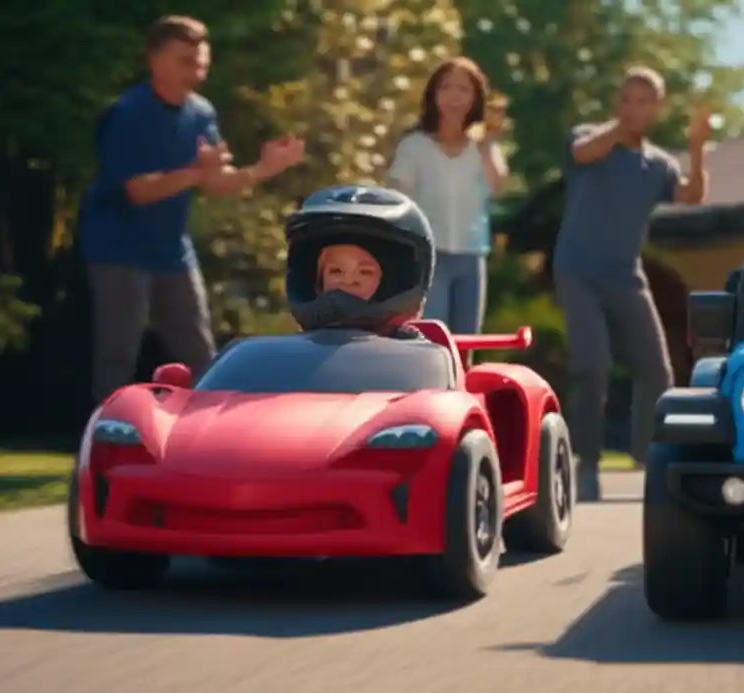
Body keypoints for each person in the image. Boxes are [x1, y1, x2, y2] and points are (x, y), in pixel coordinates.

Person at [77, 15, 305, 403]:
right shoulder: (128, 113)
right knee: (118, 357)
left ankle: (209, 445)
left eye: (201, 63)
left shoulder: (201, 113)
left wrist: (264, 169)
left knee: (202, 356)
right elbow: (138, 190)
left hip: (171, 251)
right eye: (185, 62)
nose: (196, 73)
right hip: (117, 249)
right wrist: (196, 172)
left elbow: (214, 182)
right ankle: (101, 448)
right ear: (154, 59)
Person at [554, 65, 712, 500]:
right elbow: (584, 152)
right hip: (577, 269)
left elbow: (692, 195)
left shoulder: (658, 163)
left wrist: (697, 148)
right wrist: (619, 128)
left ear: (657, 108)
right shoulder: (590, 138)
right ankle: (586, 463)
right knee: (593, 365)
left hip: (625, 275)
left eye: (644, 101)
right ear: (617, 103)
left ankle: (650, 458)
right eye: (627, 99)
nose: (633, 108)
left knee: (657, 370)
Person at [388, 57, 507, 335]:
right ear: (433, 95)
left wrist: (488, 143)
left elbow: (498, 187)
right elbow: (397, 199)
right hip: (429, 255)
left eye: (464, 89)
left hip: (471, 255)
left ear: (476, 97)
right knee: (433, 340)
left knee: (466, 342)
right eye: (446, 88)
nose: (454, 97)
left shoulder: (482, 148)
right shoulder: (414, 146)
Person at [283, 185, 436, 340]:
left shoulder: (418, 356)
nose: (348, 281)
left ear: (392, 284)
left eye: (364, 272)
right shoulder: (291, 355)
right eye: (336, 271)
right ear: (318, 282)